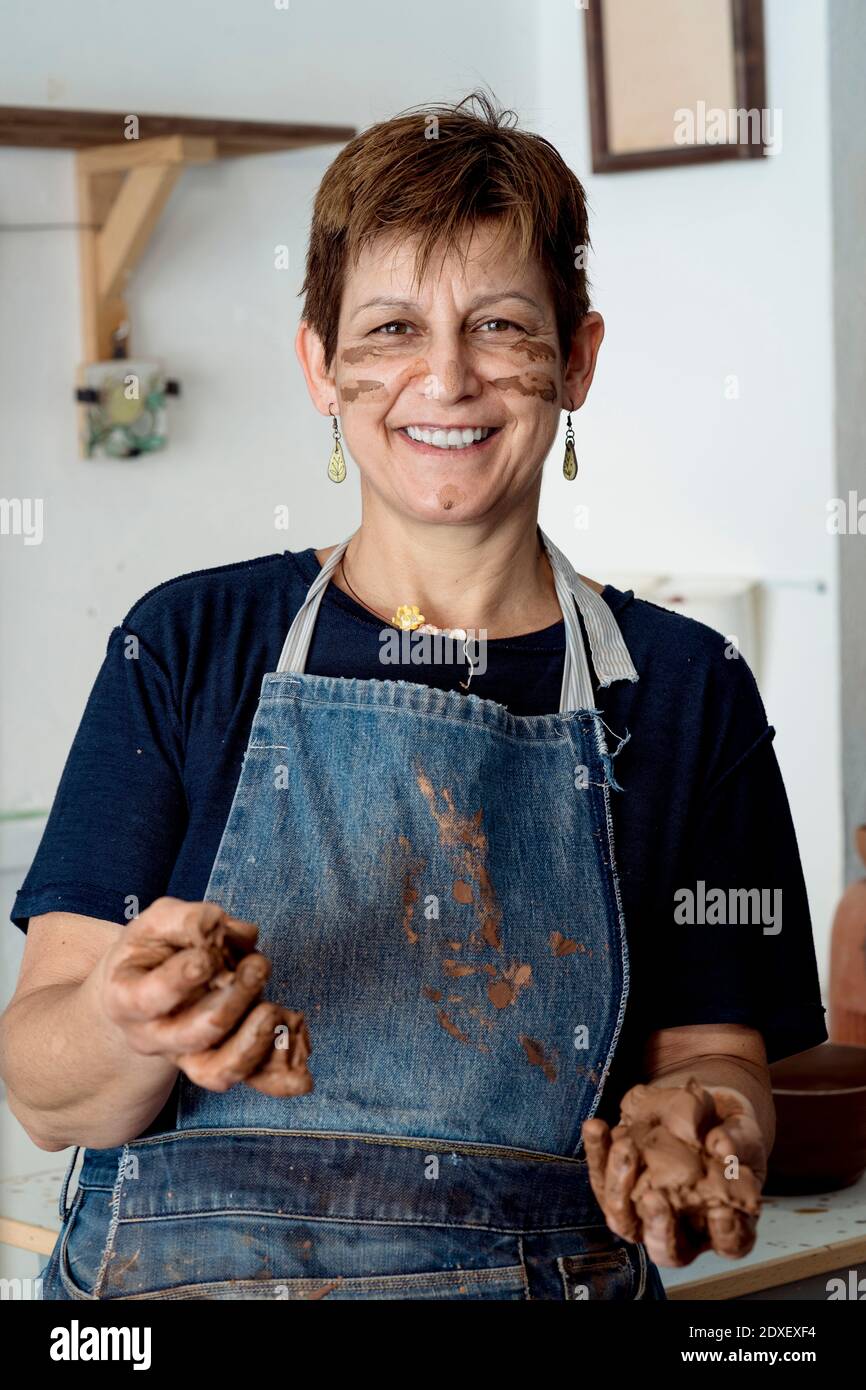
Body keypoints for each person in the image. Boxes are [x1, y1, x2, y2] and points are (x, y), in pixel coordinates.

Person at [1, 94, 826, 1301]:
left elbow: (713, 1056)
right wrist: (134, 1023)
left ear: (576, 360)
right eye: (389, 327)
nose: (443, 377)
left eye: (498, 325)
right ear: (319, 366)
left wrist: (707, 1127)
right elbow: (37, 1090)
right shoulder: (186, 645)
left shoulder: (685, 690)